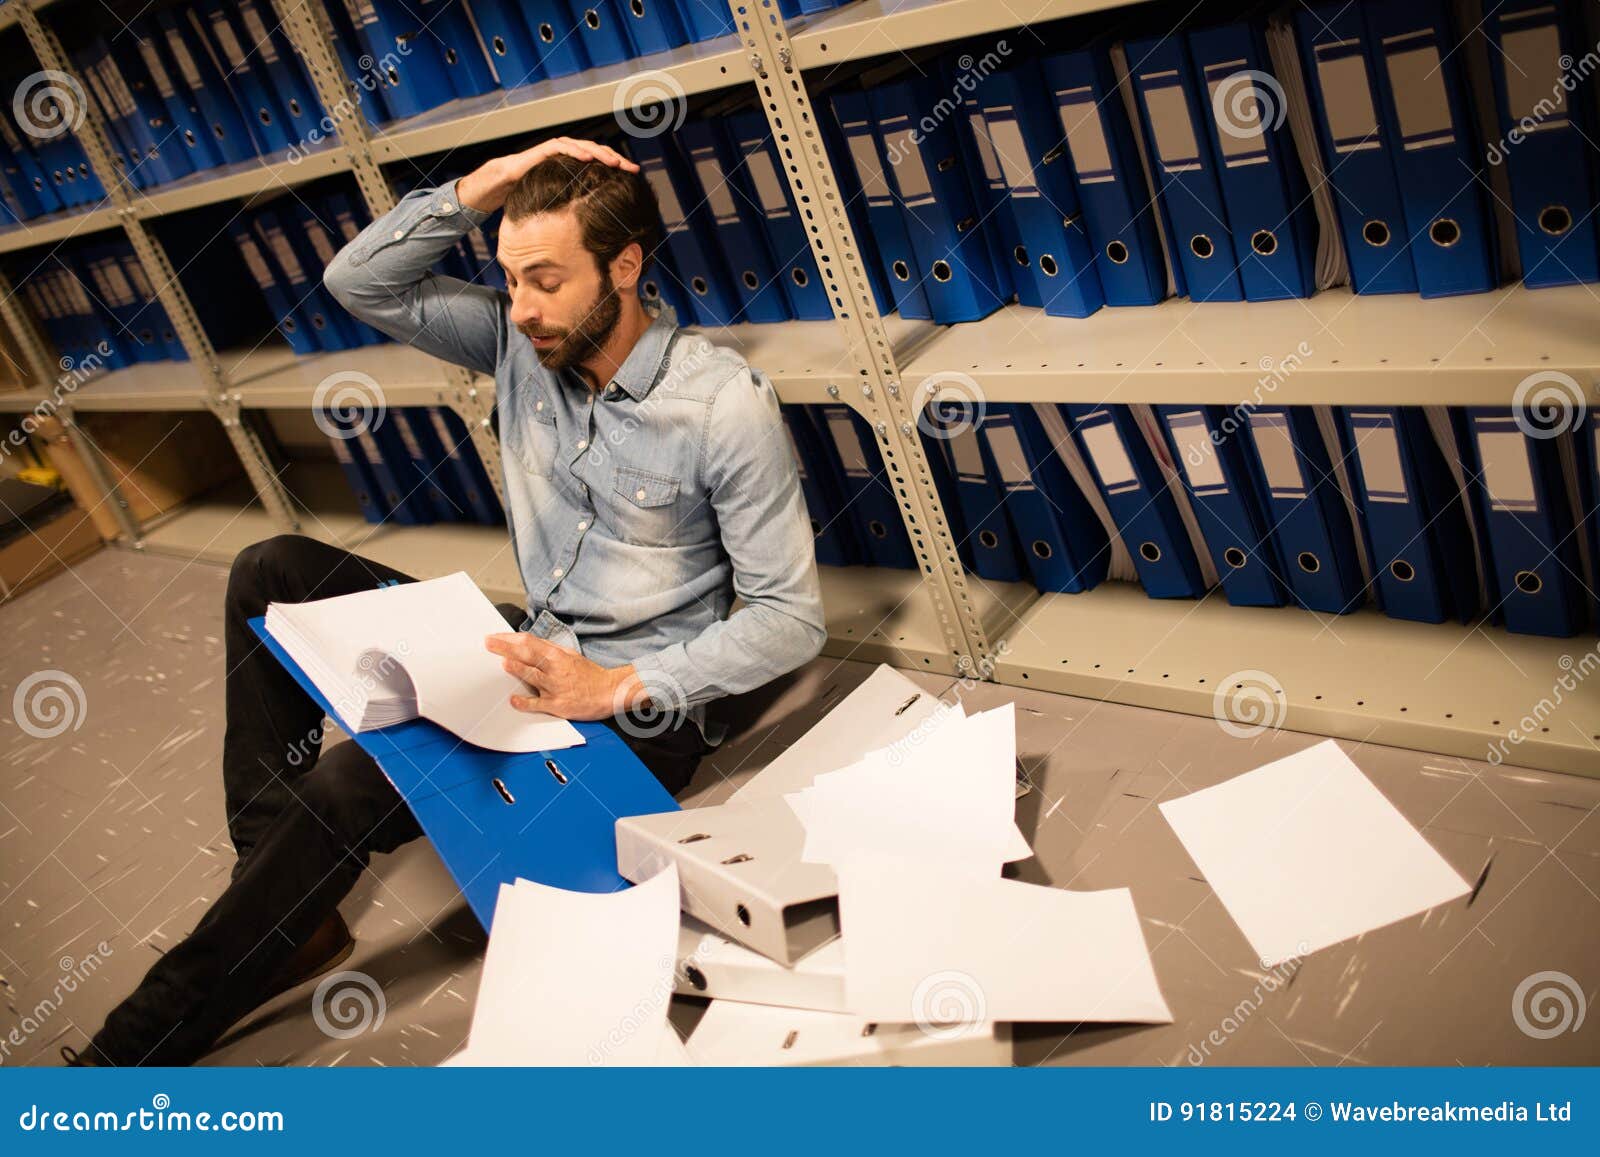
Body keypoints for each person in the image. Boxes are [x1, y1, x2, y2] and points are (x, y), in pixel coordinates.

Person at [67, 137, 826, 1066]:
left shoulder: (721, 405)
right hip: (522, 647)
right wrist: (494, 181)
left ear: (625, 266)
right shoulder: (520, 340)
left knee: (345, 781)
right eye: (509, 280)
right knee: (269, 570)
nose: (523, 309)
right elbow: (359, 283)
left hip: (631, 712)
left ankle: (125, 1051)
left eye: (546, 279)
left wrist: (612, 684)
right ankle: (292, 916)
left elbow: (791, 618)